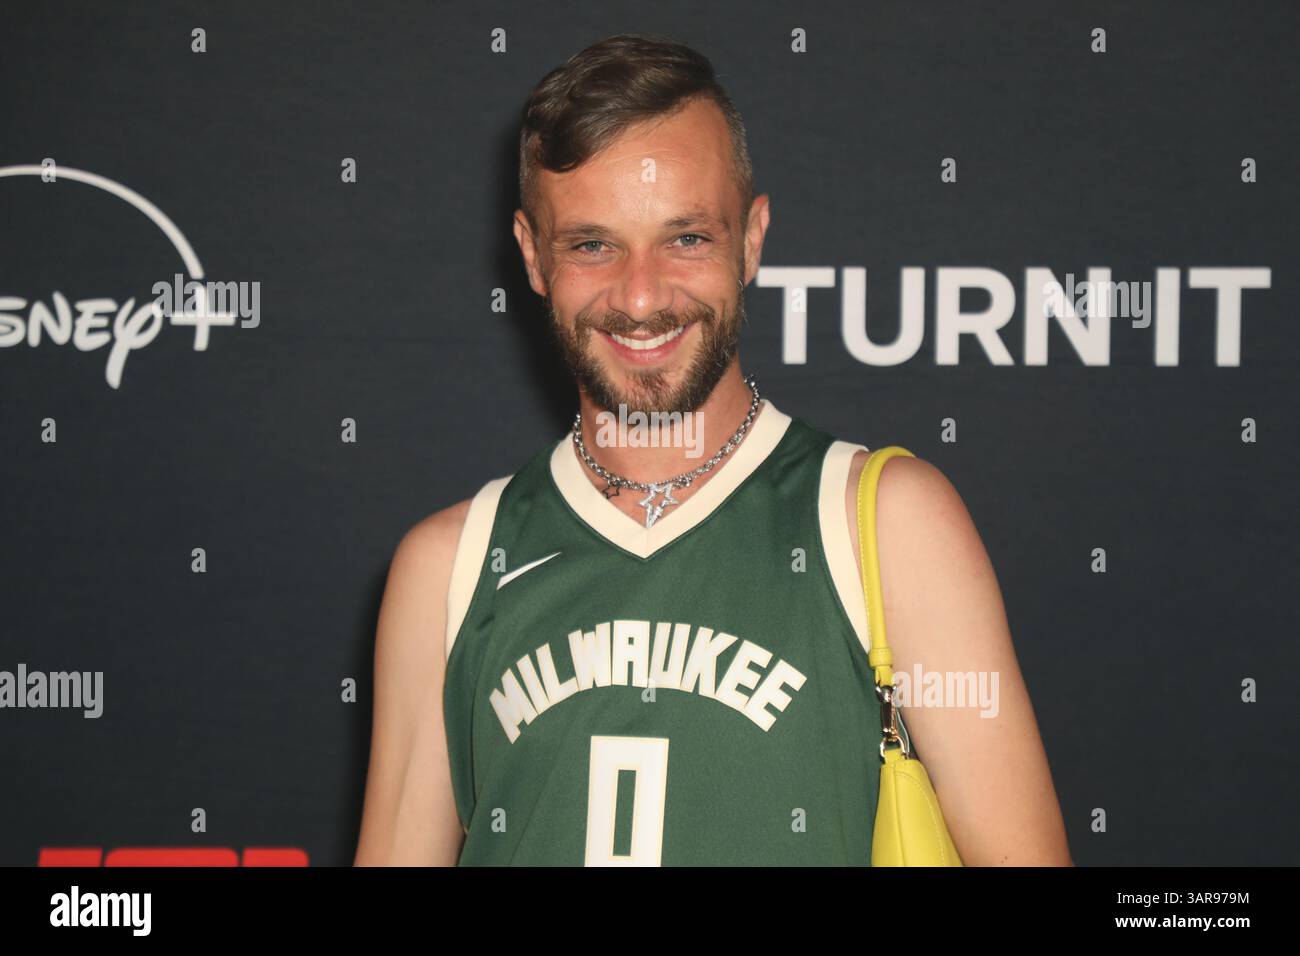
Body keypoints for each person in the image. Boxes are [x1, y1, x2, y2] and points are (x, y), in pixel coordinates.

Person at [354, 32, 1072, 866]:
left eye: (685, 238)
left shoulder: (887, 524)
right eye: (593, 244)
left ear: (752, 238)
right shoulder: (446, 568)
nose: (642, 294)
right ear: (532, 257)